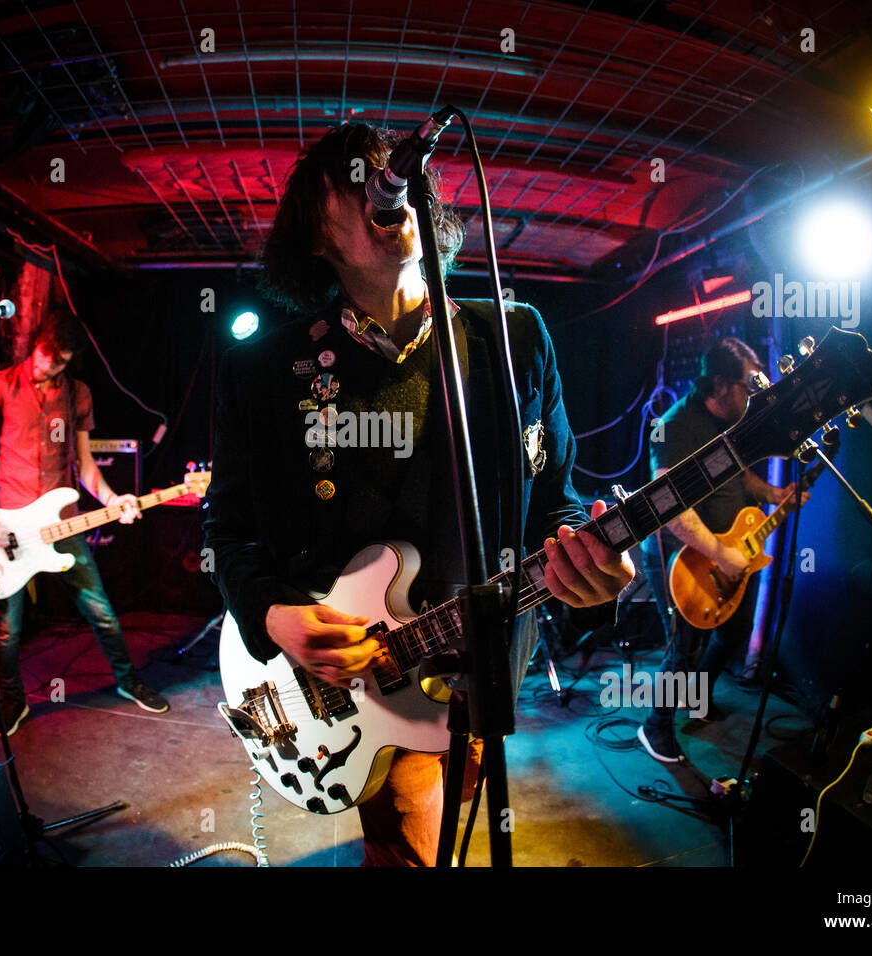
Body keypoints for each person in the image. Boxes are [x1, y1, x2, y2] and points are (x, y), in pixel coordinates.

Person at [203, 123, 633, 866]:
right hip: (352, 679)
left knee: (455, 813)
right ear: (315, 235)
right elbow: (227, 530)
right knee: (405, 843)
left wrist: (590, 566)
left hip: (484, 669)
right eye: (353, 174)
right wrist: (274, 616)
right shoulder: (265, 371)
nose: (381, 177)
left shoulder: (517, 339)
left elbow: (558, 501)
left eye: (387, 167)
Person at [0, 310, 169, 737]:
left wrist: (113, 499)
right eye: (44, 358)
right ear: (35, 346)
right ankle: (14, 703)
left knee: (103, 613)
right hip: (7, 528)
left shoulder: (77, 394)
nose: (47, 369)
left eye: (58, 363)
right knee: (7, 632)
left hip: (63, 523)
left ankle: (129, 681)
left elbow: (86, 464)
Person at [637, 337, 806, 763]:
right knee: (684, 647)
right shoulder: (675, 425)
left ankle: (697, 697)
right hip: (680, 557)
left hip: (727, 549)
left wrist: (774, 493)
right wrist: (719, 553)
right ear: (720, 385)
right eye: (748, 386)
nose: (754, 395)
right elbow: (670, 508)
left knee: (734, 631)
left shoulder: (729, 426)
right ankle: (654, 726)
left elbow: (741, 478)